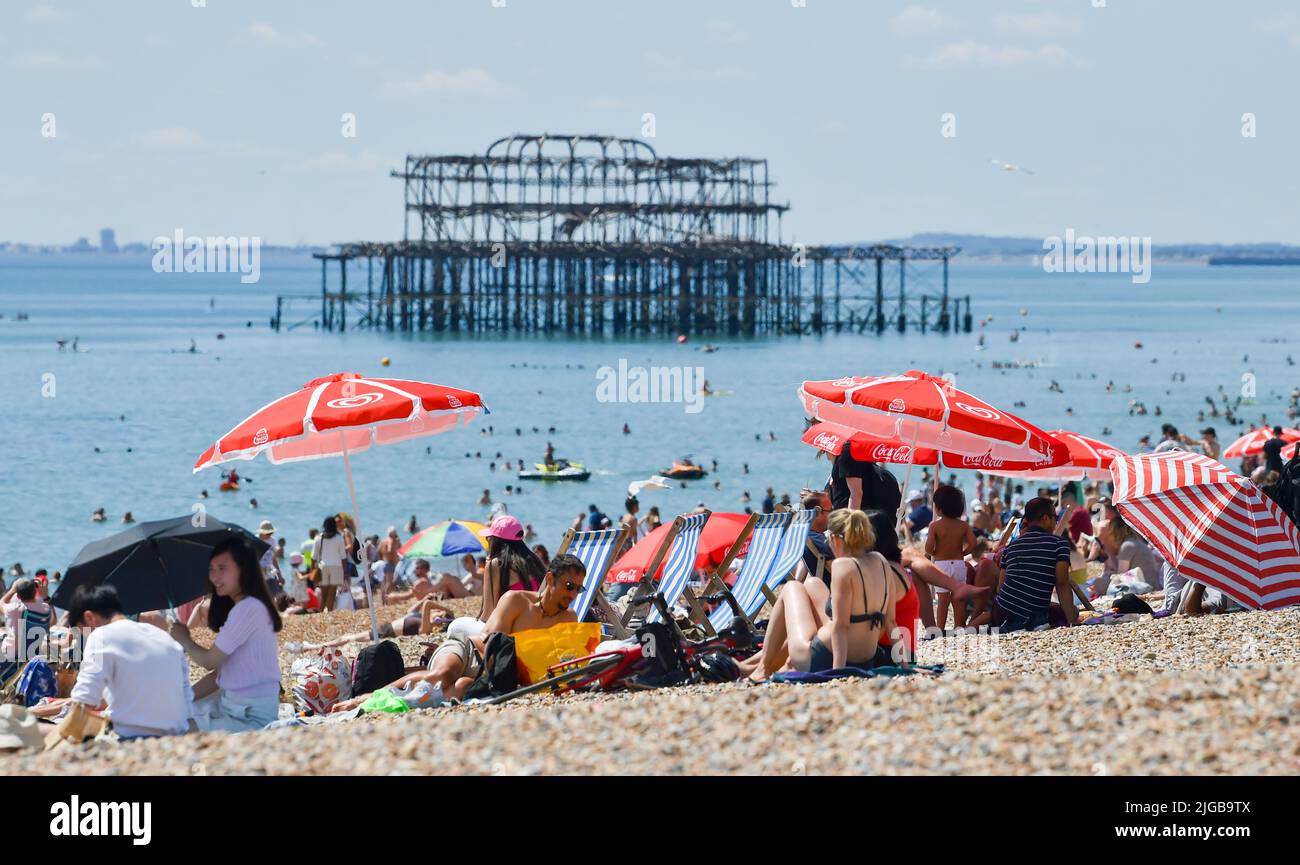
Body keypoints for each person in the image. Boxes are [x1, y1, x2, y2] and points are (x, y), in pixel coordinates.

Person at [331, 554, 588, 710]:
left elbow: (562, 663)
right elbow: (490, 642)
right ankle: (366, 698)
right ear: (551, 579)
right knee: (443, 675)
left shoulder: (568, 619)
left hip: (495, 675)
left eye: (579, 589)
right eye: (569, 586)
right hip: (469, 650)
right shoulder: (517, 601)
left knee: (460, 688)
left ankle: (394, 697)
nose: (573, 595)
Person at [746, 509, 895, 680]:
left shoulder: (842, 566)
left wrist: (838, 672)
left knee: (792, 587)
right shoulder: (881, 561)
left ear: (835, 539)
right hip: (866, 659)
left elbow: (841, 626)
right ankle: (779, 664)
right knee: (813, 583)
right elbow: (891, 621)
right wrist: (904, 663)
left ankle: (763, 668)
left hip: (821, 658)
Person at [169, 537, 283, 732]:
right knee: (171, 714)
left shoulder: (247, 608)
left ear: (243, 569)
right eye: (211, 570)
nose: (215, 577)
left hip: (250, 716)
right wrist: (183, 697)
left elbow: (209, 661)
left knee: (174, 727)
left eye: (222, 568)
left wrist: (184, 638)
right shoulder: (249, 605)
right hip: (237, 704)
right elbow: (220, 674)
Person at [65, 584, 194, 740]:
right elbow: (188, 708)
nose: (84, 636)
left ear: (89, 617)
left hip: (131, 738)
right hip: (178, 737)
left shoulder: (100, 636)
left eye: (82, 630)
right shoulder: (166, 639)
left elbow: (82, 703)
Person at [973, 497, 1077, 632]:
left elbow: (1001, 587)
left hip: (1001, 612)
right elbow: (1062, 583)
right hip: (1032, 615)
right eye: (1055, 519)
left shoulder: (1011, 547)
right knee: (1071, 611)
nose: (1056, 523)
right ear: (1045, 519)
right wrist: (1072, 623)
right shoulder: (1059, 544)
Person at [925, 485, 977, 629]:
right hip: (959, 564)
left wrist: (935, 553)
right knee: (959, 598)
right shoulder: (963, 525)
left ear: (939, 508)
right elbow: (973, 543)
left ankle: (940, 628)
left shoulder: (935, 526)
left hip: (942, 566)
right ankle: (959, 626)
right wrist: (963, 553)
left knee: (942, 600)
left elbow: (928, 548)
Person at [827, 442, 902, 514]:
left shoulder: (849, 452)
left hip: (849, 518)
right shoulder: (853, 451)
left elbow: (856, 494)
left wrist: (850, 525)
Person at [313, 516, 349, 612]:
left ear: (324, 525)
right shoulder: (339, 538)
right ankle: (329, 613)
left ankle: (320, 613)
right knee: (332, 594)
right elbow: (343, 557)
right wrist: (345, 571)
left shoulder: (318, 538)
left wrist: (313, 571)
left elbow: (313, 557)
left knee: (324, 594)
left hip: (323, 567)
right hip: (336, 567)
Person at [377, 526, 401, 600]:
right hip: (391, 563)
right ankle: (386, 598)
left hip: (384, 562)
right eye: (395, 534)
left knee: (384, 583)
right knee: (389, 583)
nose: (395, 536)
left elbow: (378, 551)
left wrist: (381, 559)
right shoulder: (392, 541)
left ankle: (383, 600)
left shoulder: (383, 541)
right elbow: (390, 550)